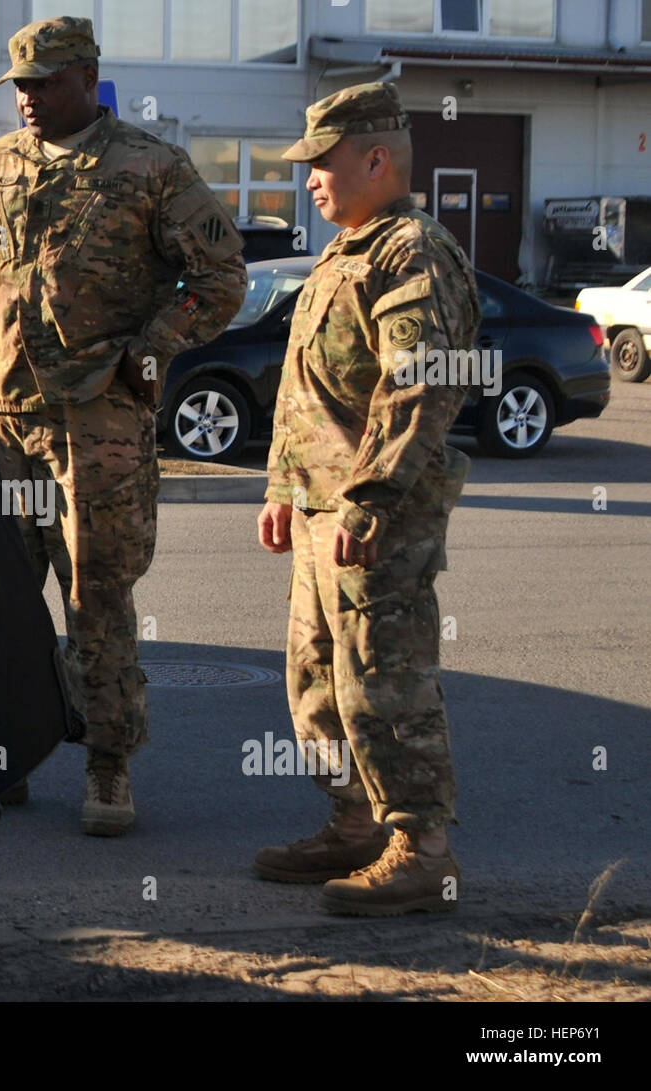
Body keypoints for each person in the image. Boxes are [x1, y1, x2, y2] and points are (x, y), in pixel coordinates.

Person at [0, 16, 246, 836]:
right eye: (20, 84)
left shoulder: (148, 168)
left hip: (95, 424)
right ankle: (12, 753)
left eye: (46, 81)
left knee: (96, 598)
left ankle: (108, 765)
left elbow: (221, 275)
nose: (28, 97)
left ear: (89, 77)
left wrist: (154, 346)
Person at [254, 82, 478, 915]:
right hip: (320, 504)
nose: (310, 178)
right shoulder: (345, 251)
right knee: (317, 678)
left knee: (384, 678)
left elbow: (418, 387)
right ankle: (353, 825)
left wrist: (372, 498)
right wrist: (284, 484)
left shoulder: (411, 252)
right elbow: (306, 388)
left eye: (323, 162)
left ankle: (423, 851)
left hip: (377, 513)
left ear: (376, 159)